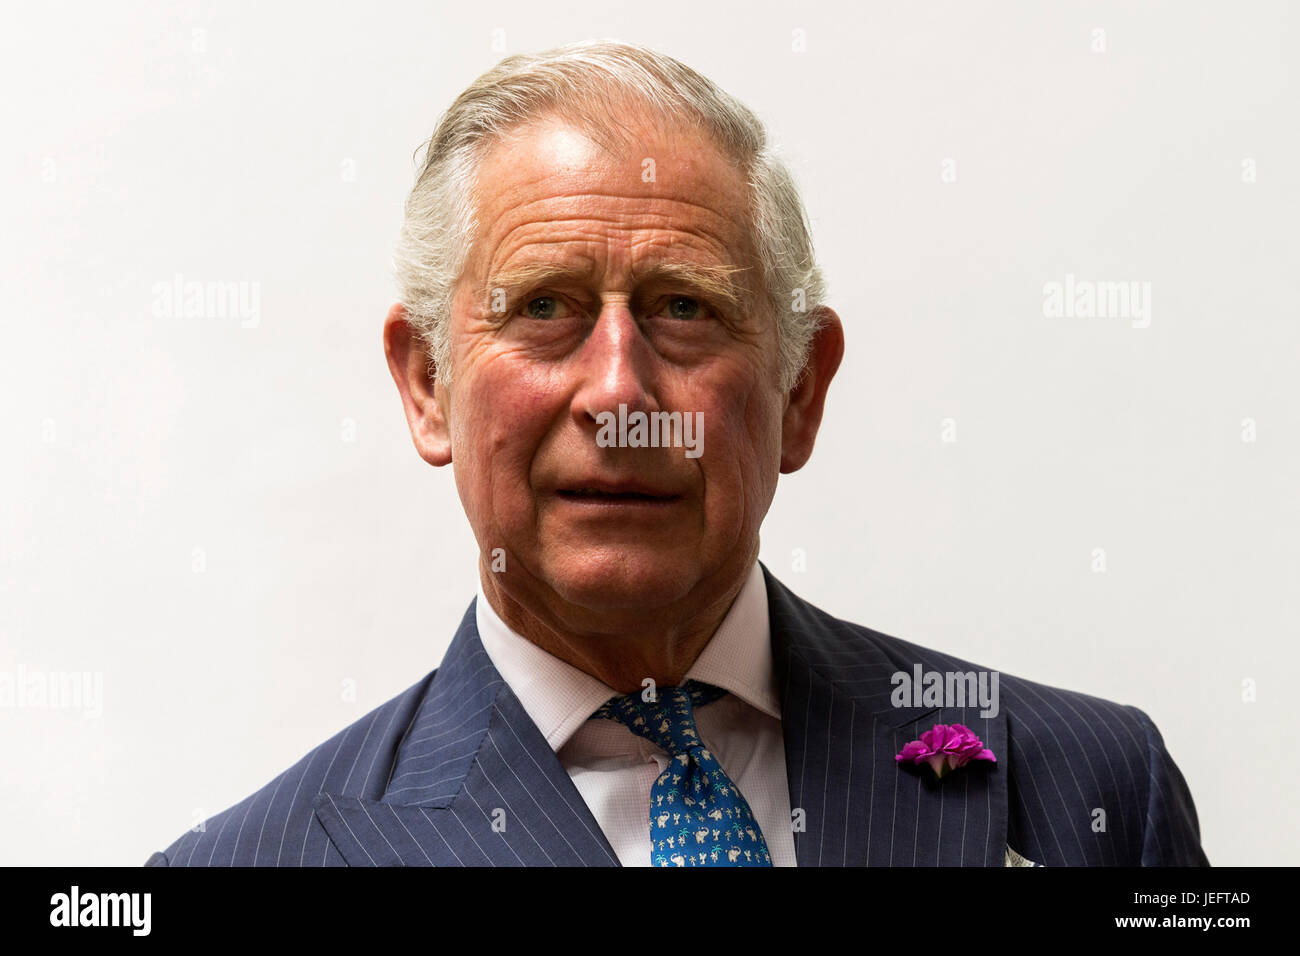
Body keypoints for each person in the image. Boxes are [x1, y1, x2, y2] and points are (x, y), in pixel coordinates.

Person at [145, 39, 1208, 867]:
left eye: (685, 307)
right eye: (547, 304)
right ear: (427, 382)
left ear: (799, 388)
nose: (618, 390)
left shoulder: (1092, 789)